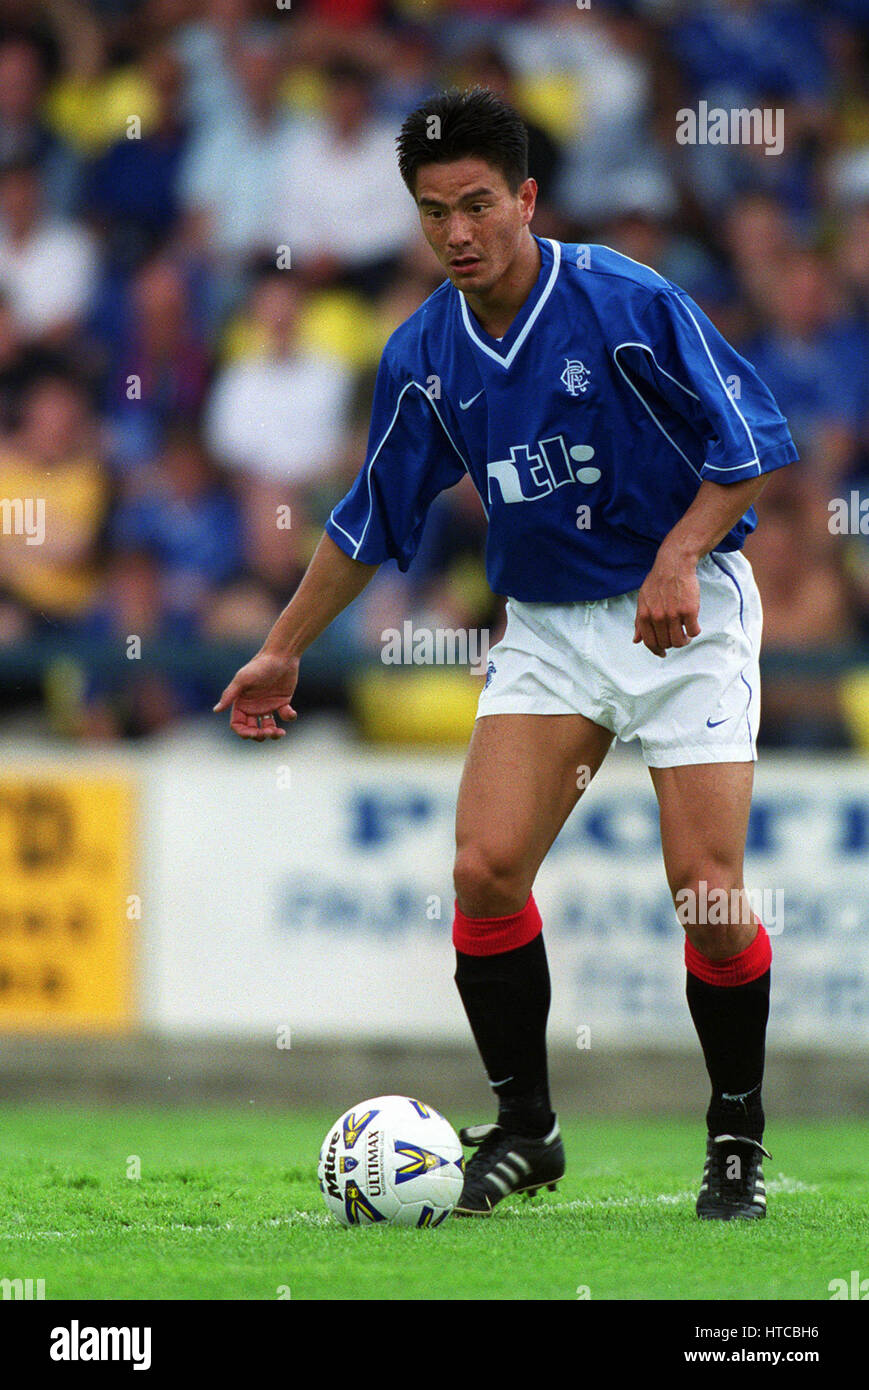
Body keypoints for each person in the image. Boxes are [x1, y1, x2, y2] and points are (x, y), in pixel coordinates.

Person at [214, 89, 798, 1221]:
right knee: (483, 871)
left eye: (477, 204)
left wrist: (678, 554)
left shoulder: (624, 301)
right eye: (434, 213)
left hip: (683, 616)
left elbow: (751, 447)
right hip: (549, 627)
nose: (458, 232)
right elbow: (367, 518)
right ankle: (527, 1128)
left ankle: (734, 1134)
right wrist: (281, 649)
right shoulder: (423, 353)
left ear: (526, 198)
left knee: (706, 894)